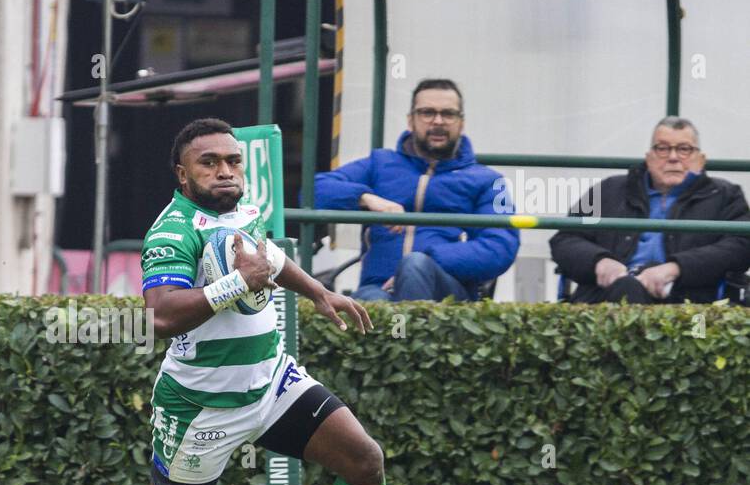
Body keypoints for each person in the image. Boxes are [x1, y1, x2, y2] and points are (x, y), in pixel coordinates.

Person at [54, 117, 426, 485]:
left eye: (232, 161)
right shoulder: (173, 229)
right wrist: (238, 283)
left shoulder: (242, 212)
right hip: (203, 406)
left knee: (365, 460)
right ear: (183, 175)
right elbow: (159, 316)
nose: (225, 171)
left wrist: (318, 292)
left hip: (271, 381)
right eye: (210, 163)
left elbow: (269, 261)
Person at [313, 78, 516, 301]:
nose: (438, 121)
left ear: (462, 123)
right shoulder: (379, 163)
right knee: (372, 303)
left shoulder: (489, 180)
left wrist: (428, 260)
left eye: (448, 114)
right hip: (378, 289)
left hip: (449, 296)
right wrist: (366, 198)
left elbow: (500, 247)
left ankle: (406, 334)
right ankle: (402, 335)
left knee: (415, 265)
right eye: (427, 112)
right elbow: (314, 190)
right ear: (411, 120)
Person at [550, 116, 750, 303]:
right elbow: (565, 239)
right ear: (649, 157)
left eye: (684, 149)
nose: (673, 157)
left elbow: (741, 246)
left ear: (701, 159)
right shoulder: (608, 189)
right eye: (662, 149)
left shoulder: (725, 195)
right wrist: (600, 262)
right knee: (627, 288)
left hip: (685, 300)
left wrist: (676, 268)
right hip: (605, 295)